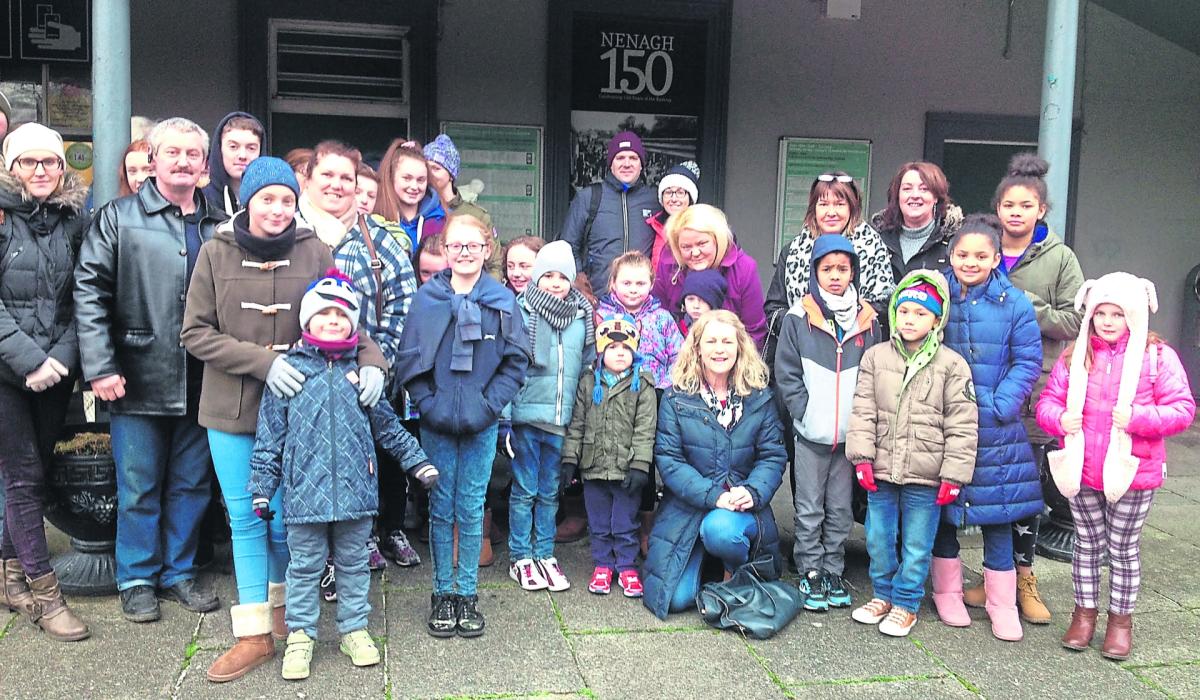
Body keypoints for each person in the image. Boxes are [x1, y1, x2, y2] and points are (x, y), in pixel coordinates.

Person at [180, 157, 389, 682]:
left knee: (289, 523)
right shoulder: (213, 252)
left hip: (303, 416)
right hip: (229, 408)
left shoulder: (315, 250)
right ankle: (253, 635)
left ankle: (286, 620)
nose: (277, 209)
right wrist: (266, 361)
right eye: (266, 199)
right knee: (247, 519)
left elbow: (345, 316)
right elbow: (195, 333)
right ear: (248, 201)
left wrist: (371, 362)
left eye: (286, 200)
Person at [247, 270, 439, 680]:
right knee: (304, 567)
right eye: (325, 314)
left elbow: (388, 428)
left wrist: (417, 462)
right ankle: (300, 634)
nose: (333, 320)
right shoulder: (291, 374)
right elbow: (270, 437)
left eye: (342, 315)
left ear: (353, 324)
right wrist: (262, 488)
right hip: (304, 495)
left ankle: (354, 628)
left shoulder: (361, 374)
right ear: (308, 321)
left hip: (355, 493)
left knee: (354, 564)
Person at [75, 117, 226, 623]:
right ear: (153, 159)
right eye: (172, 153)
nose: (182, 162)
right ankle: (137, 577)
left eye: (192, 154)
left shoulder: (218, 226)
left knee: (191, 484)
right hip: (135, 374)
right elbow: (90, 292)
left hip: (205, 378)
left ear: (205, 166)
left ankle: (179, 573)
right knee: (138, 484)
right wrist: (99, 366)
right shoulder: (118, 217)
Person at [1037, 272, 1194, 660]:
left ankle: (1120, 622)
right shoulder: (1076, 355)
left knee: (1123, 549)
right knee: (1087, 547)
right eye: (1100, 313)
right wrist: (1058, 420)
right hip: (1083, 468)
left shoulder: (1157, 357)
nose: (1107, 321)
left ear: (1136, 316)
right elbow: (1048, 402)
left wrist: (1139, 417)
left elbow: (1182, 409)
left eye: (1117, 314)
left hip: (1133, 470)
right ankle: (1084, 615)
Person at [962, 153, 1085, 623]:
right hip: (980, 389)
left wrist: (1024, 303)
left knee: (1025, 485)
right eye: (1008, 205)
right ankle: (993, 576)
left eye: (1025, 205)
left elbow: (1076, 318)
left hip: (1031, 389)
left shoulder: (1059, 257)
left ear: (1041, 211)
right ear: (997, 208)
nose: (1016, 212)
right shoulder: (982, 248)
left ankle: (1024, 575)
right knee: (991, 484)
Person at [395, 213, 530, 638]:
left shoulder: (501, 300)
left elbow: (515, 361)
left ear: (487, 248)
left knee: (471, 508)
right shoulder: (428, 298)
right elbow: (409, 360)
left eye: (473, 245)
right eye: (457, 246)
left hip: (481, 422)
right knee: (440, 506)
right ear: (446, 250)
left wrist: (488, 406)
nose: (465, 253)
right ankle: (442, 592)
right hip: (436, 421)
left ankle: (466, 593)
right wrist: (428, 404)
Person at [928, 215, 1043, 642]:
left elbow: (1027, 359)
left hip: (997, 426)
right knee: (945, 510)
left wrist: (1000, 404)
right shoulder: (937, 295)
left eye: (981, 255)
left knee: (1000, 513)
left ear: (997, 258)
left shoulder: (1015, 303)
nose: (970, 262)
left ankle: (1001, 601)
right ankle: (947, 591)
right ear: (951, 255)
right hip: (943, 422)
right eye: (962, 254)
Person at [846, 271, 978, 637]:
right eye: (903, 311)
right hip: (883, 468)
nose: (909, 319)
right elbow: (863, 411)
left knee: (918, 543)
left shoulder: (952, 365)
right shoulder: (876, 357)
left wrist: (954, 475)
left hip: (927, 471)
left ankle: (906, 602)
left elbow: (962, 424)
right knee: (878, 537)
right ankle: (882, 594)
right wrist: (862, 457)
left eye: (919, 314)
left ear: (937, 320)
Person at [0, 122, 91, 641]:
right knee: (23, 477)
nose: (40, 171)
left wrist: (60, 358)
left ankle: (9, 574)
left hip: (55, 371)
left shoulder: (74, 220)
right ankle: (43, 591)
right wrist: (30, 360)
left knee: (28, 475)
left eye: (50, 162)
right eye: (29, 162)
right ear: (12, 167)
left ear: (62, 169)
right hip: (8, 374)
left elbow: (85, 298)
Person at [642, 310, 787, 618]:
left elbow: (773, 455)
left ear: (740, 346)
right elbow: (669, 460)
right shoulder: (677, 398)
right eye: (711, 341)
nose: (719, 349)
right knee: (676, 600)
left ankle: (733, 572)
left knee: (720, 528)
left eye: (726, 341)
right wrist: (713, 495)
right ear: (697, 348)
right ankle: (707, 564)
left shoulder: (759, 396)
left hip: (741, 511)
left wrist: (753, 491)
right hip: (688, 507)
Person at [773, 234, 881, 613]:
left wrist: (863, 422)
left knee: (839, 508)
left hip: (849, 437)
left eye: (842, 269)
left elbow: (875, 375)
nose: (835, 276)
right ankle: (810, 568)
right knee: (808, 507)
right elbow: (786, 373)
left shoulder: (868, 320)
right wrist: (804, 412)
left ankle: (834, 568)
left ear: (854, 272)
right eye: (827, 269)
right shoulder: (798, 318)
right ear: (815, 272)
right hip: (811, 433)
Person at [506, 240, 595, 592]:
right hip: (528, 418)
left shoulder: (580, 316)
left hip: (562, 420)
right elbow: (508, 368)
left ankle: (544, 553)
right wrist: (506, 420)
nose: (555, 283)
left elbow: (587, 365)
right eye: (548, 276)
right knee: (524, 490)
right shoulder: (522, 311)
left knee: (550, 493)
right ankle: (520, 556)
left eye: (562, 276)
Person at [562, 315, 655, 597]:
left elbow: (645, 428)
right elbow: (577, 423)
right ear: (602, 351)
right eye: (613, 348)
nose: (619, 353)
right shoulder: (589, 383)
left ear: (635, 352)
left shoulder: (643, 385)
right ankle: (603, 564)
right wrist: (570, 459)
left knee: (625, 520)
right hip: (594, 465)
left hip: (626, 467)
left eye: (626, 348)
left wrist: (640, 465)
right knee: (599, 519)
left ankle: (626, 565)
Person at [597, 251, 684, 550]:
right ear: (613, 284)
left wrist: (669, 386)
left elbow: (678, 355)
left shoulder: (661, 319)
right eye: (626, 283)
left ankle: (649, 527)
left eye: (640, 283)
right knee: (627, 462)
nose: (633, 289)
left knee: (649, 461)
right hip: (617, 396)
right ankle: (619, 525)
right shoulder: (604, 317)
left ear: (651, 284)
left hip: (656, 395)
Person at [765, 172, 895, 356]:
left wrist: (846, 323)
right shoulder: (793, 251)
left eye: (840, 204)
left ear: (852, 208)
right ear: (813, 209)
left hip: (858, 357)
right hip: (803, 355)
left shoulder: (874, 248)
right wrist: (803, 327)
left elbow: (885, 307)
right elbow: (774, 309)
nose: (831, 212)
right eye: (823, 204)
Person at [652, 204, 768, 349]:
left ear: (717, 240)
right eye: (686, 247)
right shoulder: (668, 264)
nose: (695, 253)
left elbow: (754, 331)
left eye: (702, 244)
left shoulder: (744, 268)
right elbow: (658, 321)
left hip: (730, 359)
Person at [559, 131, 658, 294]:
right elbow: (568, 246)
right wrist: (580, 281)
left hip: (643, 299)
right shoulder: (589, 197)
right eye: (620, 158)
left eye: (633, 158)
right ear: (611, 164)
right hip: (599, 298)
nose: (627, 164)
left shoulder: (655, 200)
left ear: (642, 164)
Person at [871, 161, 964, 284]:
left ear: (936, 197)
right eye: (907, 189)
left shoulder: (956, 240)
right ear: (898, 195)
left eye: (924, 189)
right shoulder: (875, 238)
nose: (915, 195)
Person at [373, 139, 445, 255]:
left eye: (421, 180)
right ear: (391, 177)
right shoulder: (374, 216)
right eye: (407, 178)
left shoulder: (441, 219)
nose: (414, 186)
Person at [201, 112, 264, 217]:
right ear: (219, 149)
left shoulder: (271, 200)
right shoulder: (201, 200)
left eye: (251, 148)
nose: (242, 155)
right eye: (233, 147)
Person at [646, 160, 699, 270]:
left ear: (690, 198)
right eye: (669, 192)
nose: (674, 199)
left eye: (680, 193)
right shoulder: (653, 226)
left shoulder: (702, 227)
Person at [676, 269, 726, 337]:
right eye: (691, 299)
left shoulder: (726, 330)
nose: (696, 306)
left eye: (703, 300)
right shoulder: (674, 325)